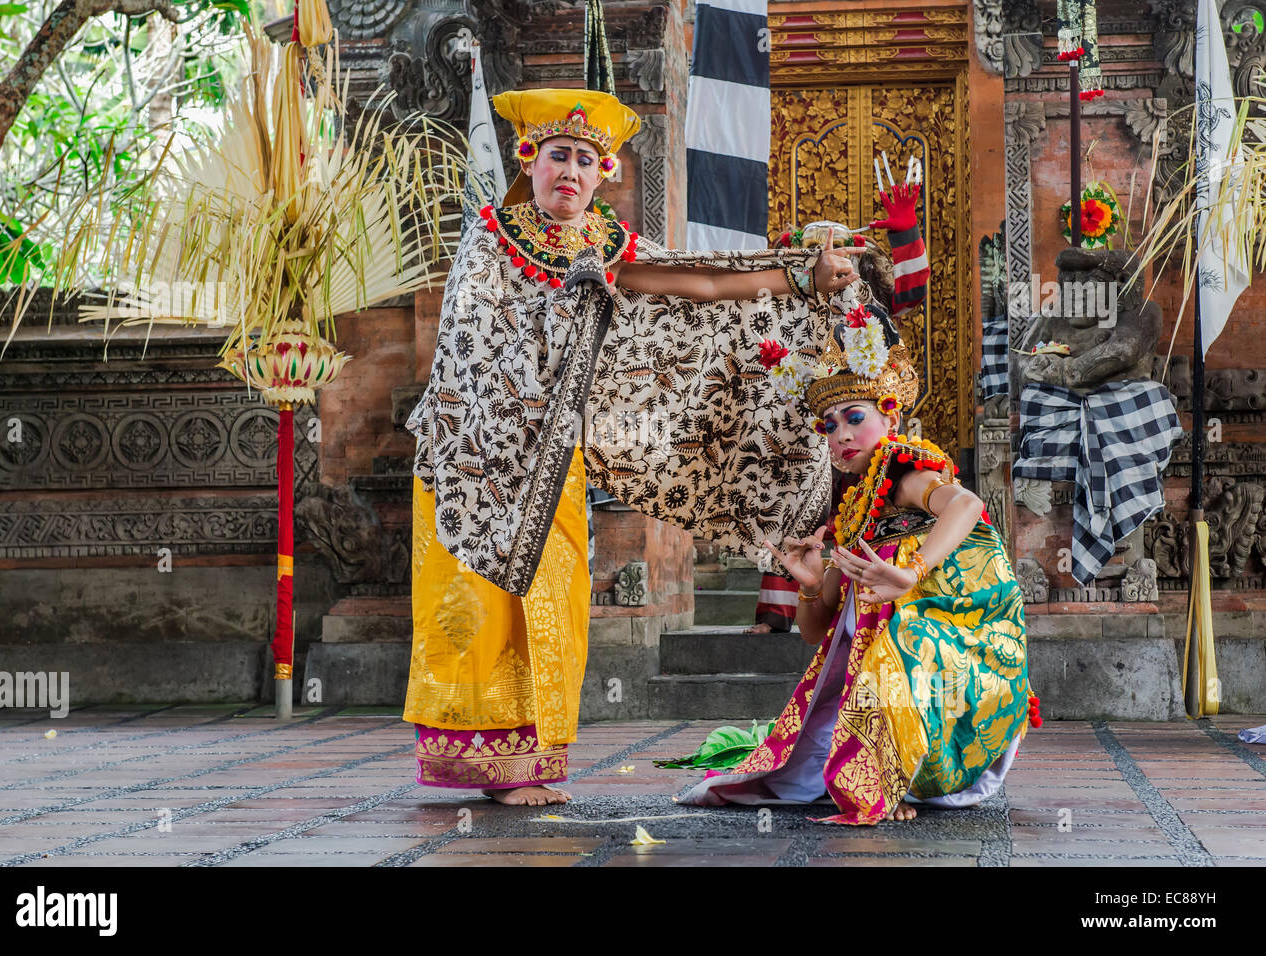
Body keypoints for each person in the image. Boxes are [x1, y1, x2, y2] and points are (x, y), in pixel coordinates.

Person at [405, 88, 865, 806]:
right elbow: (469, 350)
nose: (571, 172)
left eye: (586, 161)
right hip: (474, 462)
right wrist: (557, 324)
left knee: (555, 601)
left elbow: (700, 283)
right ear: (529, 159)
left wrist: (800, 278)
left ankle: (533, 759)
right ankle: (494, 769)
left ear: (603, 174)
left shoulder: (604, 244)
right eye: (559, 155)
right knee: (481, 606)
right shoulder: (489, 238)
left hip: (554, 465)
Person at [679, 303, 1040, 824]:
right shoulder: (853, 510)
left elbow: (966, 505)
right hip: (883, 653)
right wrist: (809, 585)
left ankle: (896, 778)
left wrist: (911, 573)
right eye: (829, 426)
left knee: (897, 643)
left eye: (854, 419)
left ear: (890, 418)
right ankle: (878, 774)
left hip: (949, 630)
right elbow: (816, 633)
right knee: (859, 667)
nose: (841, 436)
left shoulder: (905, 472)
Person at [749, 202, 931, 634]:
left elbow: (911, 294)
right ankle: (779, 611)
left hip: (862, 428)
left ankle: (872, 598)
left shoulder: (871, 305)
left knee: (869, 510)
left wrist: (906, 231)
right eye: (819, 257)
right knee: (796, 514)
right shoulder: (794, 307)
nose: (832, 267)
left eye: (840, 256)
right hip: (808, 430)